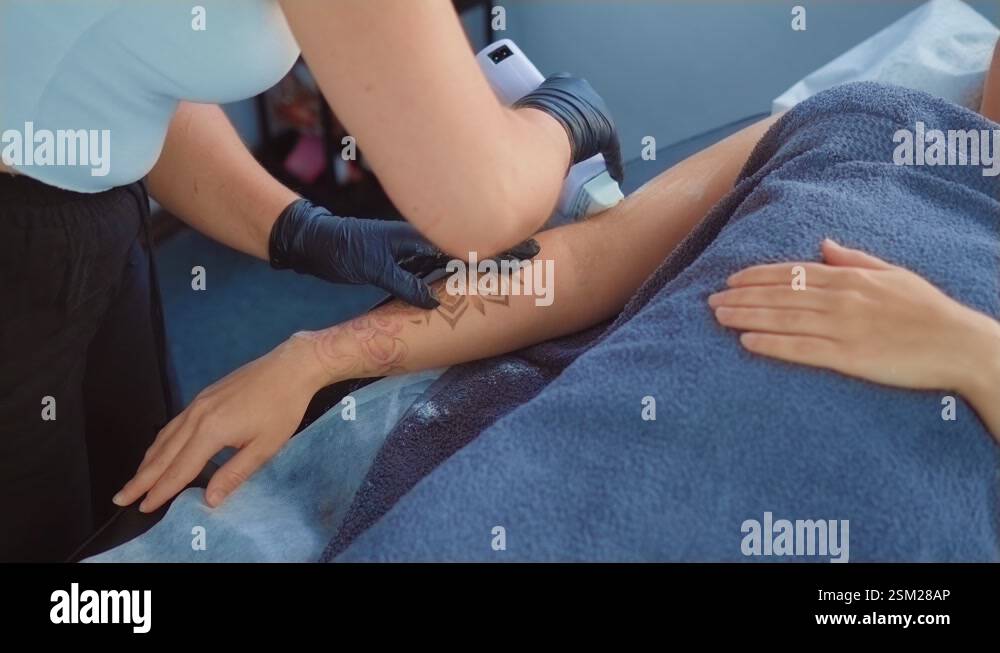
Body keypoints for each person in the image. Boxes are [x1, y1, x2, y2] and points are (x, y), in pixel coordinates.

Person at [114, 49, 1000, 517]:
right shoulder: (857, 118)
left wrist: (972, 351)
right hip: (566, 473)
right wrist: (317, 354)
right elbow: (582, 262)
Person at [0, 0, 623, 561]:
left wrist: (298, 230)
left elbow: (125, 62)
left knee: (131, 497)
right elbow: (486, 205)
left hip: (88, 209)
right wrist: (559, 118)